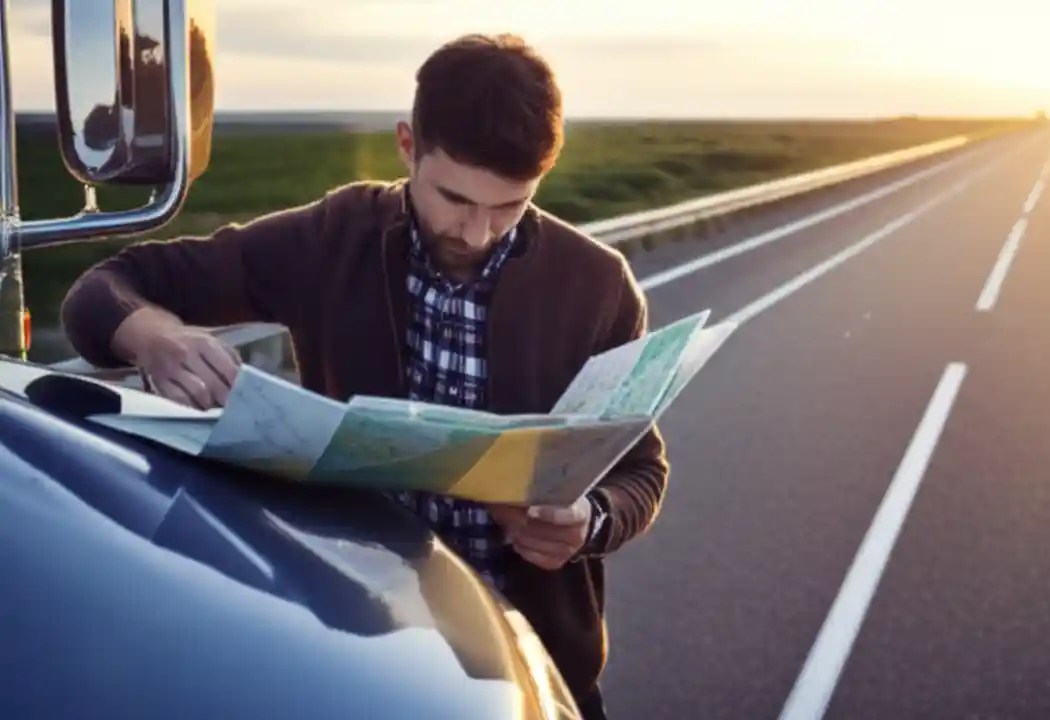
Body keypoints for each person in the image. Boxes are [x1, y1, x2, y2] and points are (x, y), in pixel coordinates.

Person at [59, 32, 667, 719]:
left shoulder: (598, 285)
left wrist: (592, 520)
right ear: (407, 145)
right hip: (364, 654)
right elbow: (102, 289)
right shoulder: (333, 236)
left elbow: (642, 469)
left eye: (510, 206)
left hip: (539, 674)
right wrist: (154, 336)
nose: (477, 232)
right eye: (456, 199)